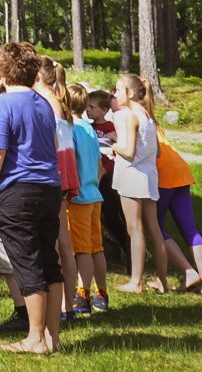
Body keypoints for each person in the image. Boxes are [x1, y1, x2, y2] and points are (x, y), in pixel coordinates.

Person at [0, 41, 66, 354]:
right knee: (48, 260)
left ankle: (35, 338)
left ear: (3, 73)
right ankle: (53, 336)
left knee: (27, 264)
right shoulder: (43, 102)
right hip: (48, 188)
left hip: (17, 190)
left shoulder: (3, 104)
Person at [109, 73, 168, 294]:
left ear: (130, 93)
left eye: (118, 90)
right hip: (149, 176)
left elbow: (129, 152)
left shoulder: (129, 116)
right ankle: (162, 282)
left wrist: (112, 145)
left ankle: (136, 281)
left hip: (132, 176)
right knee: (155, 230)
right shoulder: (148, 116)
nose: (115, 94)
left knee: (135, 229)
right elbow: (158, 151)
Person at [35, 57, 81, 318]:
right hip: (65, 171)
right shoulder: (61, 100)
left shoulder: (46, 102)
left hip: (55, 172)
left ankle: (63, 302)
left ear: (38, 77)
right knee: (64, 241)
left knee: (56, 242)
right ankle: (70, 302)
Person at [153, 122, 202, 297]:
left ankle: (189, 272)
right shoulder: (151, 118)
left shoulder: (130, 116)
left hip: (164, 176)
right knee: (190, 229)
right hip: (180, 171)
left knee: (155, 227)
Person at [66, 82, 109, 315]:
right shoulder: (90, 128)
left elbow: (70, 164)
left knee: (81, 250)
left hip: (79, 198)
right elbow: (100, 164)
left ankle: (82, 295)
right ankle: (101, 294)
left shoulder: (71, 129)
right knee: (96, 248)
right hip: (94, 194)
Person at [86, 88, 131, 256]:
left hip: (108, 178)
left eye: (92, 107)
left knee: (112, 216)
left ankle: (128, 247)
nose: (88, 110)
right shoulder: (87, 127)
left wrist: (116, 138)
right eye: (86, 107)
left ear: (104, 110)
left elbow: (120, 149)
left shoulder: (110, 127)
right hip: (94, 176)